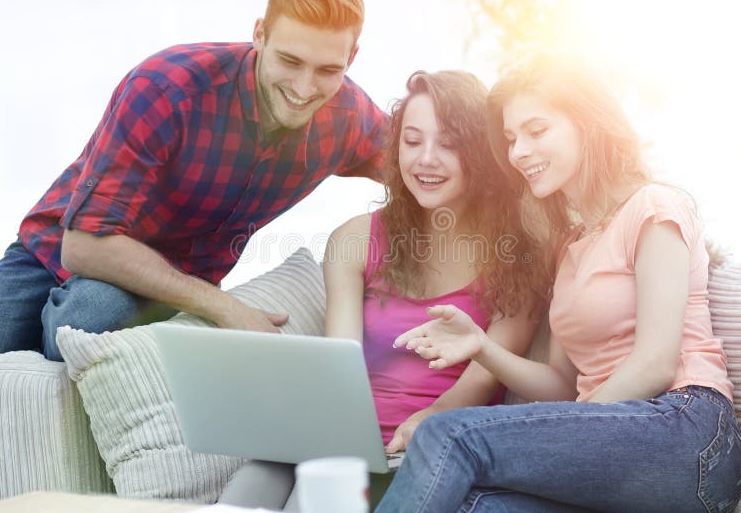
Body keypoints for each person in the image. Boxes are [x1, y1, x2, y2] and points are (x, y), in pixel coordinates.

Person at [376, 54, 741, 513]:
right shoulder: (571, 247)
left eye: (537, 131)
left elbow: (654, 363)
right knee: (475, 506)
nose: (519, 152)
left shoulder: (653, 207)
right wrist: (481, 346)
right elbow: (561, 385)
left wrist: (567, 430)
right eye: (512, 138)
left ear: (586, 125)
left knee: (447, 433)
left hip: (689, 434)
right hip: (610, 448)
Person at [0, 0, 388, 362]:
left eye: (328, 70)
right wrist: (223, 307)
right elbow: (82, 246)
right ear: (260, 34)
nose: (304, 88)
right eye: (290, 61)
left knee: (84, 317)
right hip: (50, 252)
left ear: (352, 57)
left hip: (158, 289)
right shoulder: (167, 89)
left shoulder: (347, 116)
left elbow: (428, 171)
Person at [219, 70, 544, 511]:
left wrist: (430, 418)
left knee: (316, 494)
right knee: (261, 473)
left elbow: (486, 375)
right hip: (343, 437)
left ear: (482, 152)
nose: (426, 159)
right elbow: (341, 362)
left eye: (448, 144)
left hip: (424, 451)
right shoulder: (354, 239)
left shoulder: (519, 255)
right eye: (412, 142)